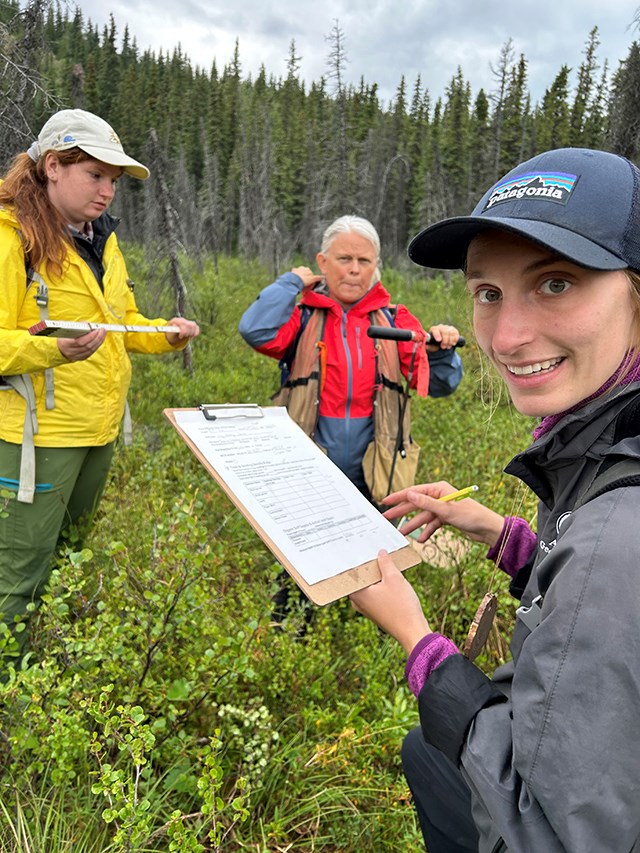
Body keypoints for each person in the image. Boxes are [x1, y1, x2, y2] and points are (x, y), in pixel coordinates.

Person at [349, 147, 640, 852]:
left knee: (429, 750)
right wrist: (502, 536)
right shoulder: (607, 447)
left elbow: (549, 834)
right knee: (425, 752)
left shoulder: (615, 540)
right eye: (487, 292)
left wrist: (421, 645)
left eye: (556, 283)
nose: (506, 338)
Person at [0, 108, 200, 657]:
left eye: (113, 179)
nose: (108, 191)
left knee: (67, 559)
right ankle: (12, 691)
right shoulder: (11, 237)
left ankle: (49, 675)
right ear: (53, 167)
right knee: (19, 574)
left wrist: (166, 335)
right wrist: (52, 350)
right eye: (95, 175)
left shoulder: (100, 239)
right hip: (36, 439)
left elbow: (120, 322)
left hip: (97, 432)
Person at [238, 215, 463, 503]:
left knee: (378, 532)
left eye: (364, 261)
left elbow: (440, 384)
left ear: (375, 265)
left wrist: (441, 352)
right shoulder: (301, 319)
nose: (354, 269)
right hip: (307, 472)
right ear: (323, 262)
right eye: (344, 259)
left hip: (378, 475)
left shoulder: (396, 321)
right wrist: (290, 282)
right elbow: (255, 330)